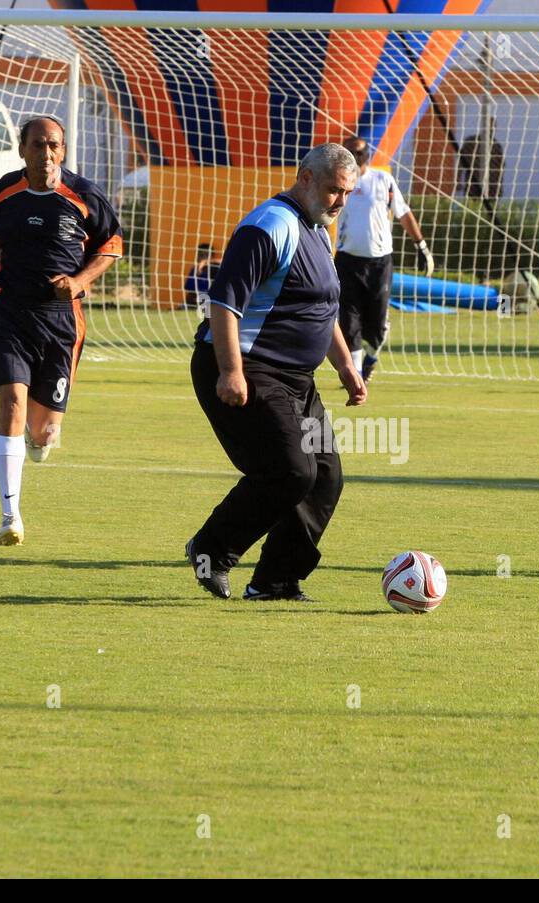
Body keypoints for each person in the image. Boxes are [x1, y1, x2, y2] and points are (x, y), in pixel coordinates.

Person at [186, 142, 367, 602]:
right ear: (305, 178)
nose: (341, 202)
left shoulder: (318, 231)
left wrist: (346, 366)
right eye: (333, 191)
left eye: (347, 193)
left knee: (325, 478)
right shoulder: (270, 225)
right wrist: (231, 372)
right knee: (290, 470)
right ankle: (211, 548)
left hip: (295, 380)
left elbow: (322, 311)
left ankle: (276, 581)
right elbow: (225, 303)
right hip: (247, 368)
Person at [0, 116, 122, 546]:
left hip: (61, 321)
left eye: (54, 145)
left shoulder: (85, 195)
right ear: (22, 150)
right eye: (37, 145)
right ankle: (10, 515)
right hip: (10, 313)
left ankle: (40, 438)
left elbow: (111, 246)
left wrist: (79, 282)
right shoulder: (1, 194)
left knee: (42, 432)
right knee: (10, 403)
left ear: (64, 150)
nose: (46, 154)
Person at [336, 135, 432, 383]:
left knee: (376, 325)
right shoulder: (338, 181)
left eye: (356, 152)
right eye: (347, 151)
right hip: (347, 260)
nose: (352, 157)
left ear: (366, 155)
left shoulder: (383, 180)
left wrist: (421, 246)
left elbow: (404, 213)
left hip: (379, 262)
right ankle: (355, 376)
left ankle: (370, 359)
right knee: (348, 320)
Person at [184, 242, 221, 309]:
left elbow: (223, 261)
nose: (202, 257)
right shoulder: (195, 269)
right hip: (194, 300)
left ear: (212, 256)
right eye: (200, 254)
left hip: (209, 300)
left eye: (205, 255)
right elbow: (188, 287)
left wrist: (205, 262)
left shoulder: (216, 268)